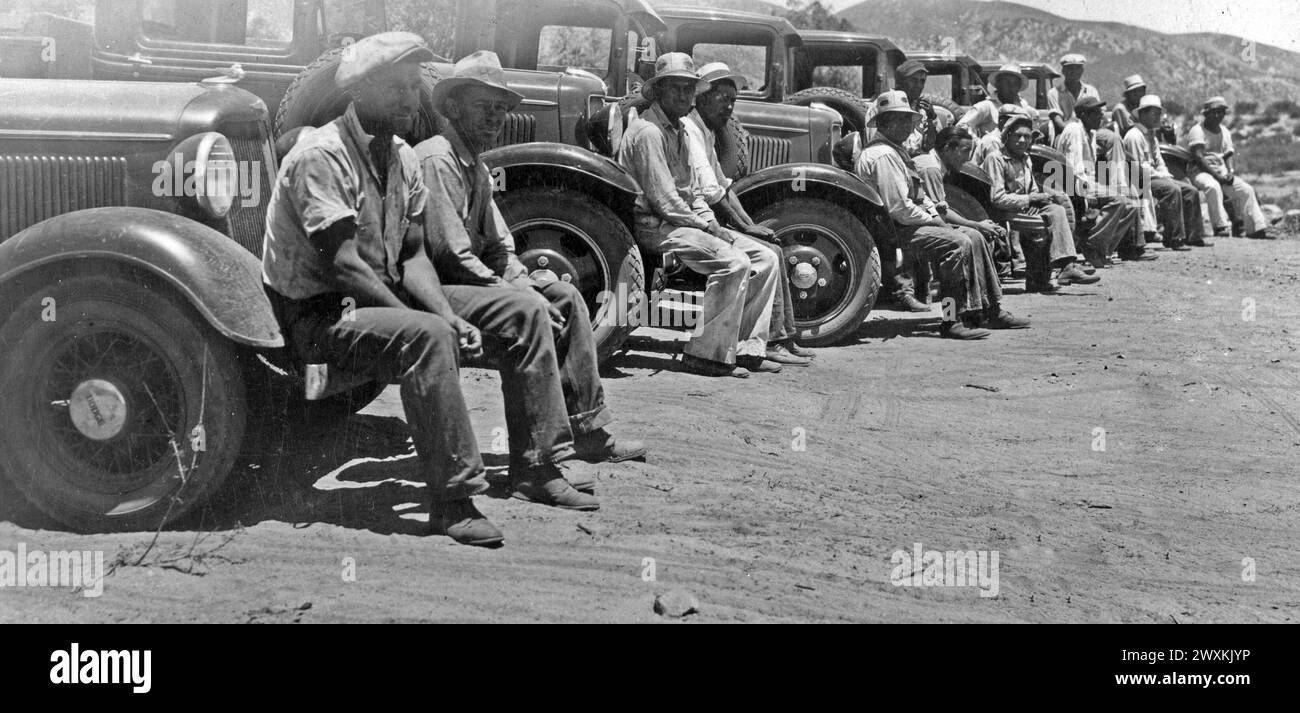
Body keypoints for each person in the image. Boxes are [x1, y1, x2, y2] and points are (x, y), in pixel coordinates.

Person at [261, 32, 500, 547]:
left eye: (415, 89)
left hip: (366, 303)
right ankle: (453, 500)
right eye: (397, 89)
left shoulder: (402, 158)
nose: (412, 101)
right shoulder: (321, 155)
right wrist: (426, 323)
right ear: (360, 91)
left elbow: (412, 255)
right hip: (314, 317)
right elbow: (343, 265)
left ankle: (541, 463)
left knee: (452, 324)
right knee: (426, 339)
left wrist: (446, 313)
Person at [415, 50, 645, 511]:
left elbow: (500, 248)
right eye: (485, 107)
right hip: (430, 292)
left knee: (563, 294)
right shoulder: (438, 161)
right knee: (529, 312)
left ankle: (587, 430)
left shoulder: (474, 165)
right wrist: (515, 294)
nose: (496, 118)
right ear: (454, 106)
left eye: (501, 109)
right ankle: (535, 468)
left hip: (465, 285)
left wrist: (523, 282)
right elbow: (451, 255)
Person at [619, 53, 782, 377]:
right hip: (653, 224)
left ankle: (747, 348)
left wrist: (711, 224)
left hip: (679, 221)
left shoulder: (679, 130)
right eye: (677, 88)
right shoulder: (650, 132)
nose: (684, 96)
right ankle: (704, 354)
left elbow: (693, 193)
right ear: (660, 90)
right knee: (734, 262)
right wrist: (710, 227)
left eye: (688, 89)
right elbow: (664, 200)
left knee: (767, 259)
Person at [856, 91, 1030, 339]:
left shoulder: (896, 151)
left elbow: (920, 196)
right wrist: (936, 221)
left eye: (909, 119)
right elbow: (900, 208)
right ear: (884, 123)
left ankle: (989, 309)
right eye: (900, 120)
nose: (907, 126)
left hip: (908, 224)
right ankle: (951, 320)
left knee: (975, 235)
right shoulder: (884, 155)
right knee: (957, 243)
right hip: (896, 230)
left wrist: (937, 216)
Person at [686, 61, 813, 366]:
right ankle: (763, 343)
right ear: (702, 97)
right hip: (698, 220)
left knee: (772, 247)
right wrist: (747, 228)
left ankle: (781, 336)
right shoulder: (691, 130)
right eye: (722, 99)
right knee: (766, 252)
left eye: (733, 100)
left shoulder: (708, 132)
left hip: (709, 214)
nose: (729, 107)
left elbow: (725, 187)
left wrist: (750, 224)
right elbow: (712, 193)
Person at [983, 110, 1099, 290]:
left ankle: (1045, 277)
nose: (1022, 141)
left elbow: (1033, 189)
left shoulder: (1025, 159)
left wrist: (1038, 201)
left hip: (1021, 207)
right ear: (1007, 136)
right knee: (1047, 221)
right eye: (1018, 136)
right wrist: (1028, 200)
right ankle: (1063, 268)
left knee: (1055, 210)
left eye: (1027, 137)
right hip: (1001, 210)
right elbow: (996, 198)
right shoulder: (996, 159)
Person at [1053, 95, 1141, 267]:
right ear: (1084, 115)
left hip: (1086, 181)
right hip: (1071, 183)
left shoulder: (1090, 133)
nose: (1101, 117)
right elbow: (1074, 168)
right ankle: (1091, 244)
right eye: (1095, 113)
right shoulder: (1074, 130)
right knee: (1118, 200)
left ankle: (1101, 248)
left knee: (1131, 204)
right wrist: (1087, 191)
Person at [1122, 94, 1209, 250]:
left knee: (1190, 190)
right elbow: (1139, 168)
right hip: (1140, 180)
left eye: (1159, 113)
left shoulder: (1151, 136)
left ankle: (1194, 235)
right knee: (1172, 189)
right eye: (1154, 113)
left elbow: (1159, 161)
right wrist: (1162, 176)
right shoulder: (1135, 136)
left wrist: (1165, 174)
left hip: (1153, 176)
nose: (1158, 117)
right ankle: (1174, 238)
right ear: (1142, 114)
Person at [1180, 96, 1273, 239]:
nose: (1217, 115)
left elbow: (1228, 154)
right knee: (1213, 186)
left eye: (1220, 112)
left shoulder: (1224, 131)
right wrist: (1217, 177)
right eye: (1214, 112)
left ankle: (1256, 229)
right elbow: (1198, 157)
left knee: (1246, 190)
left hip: (1221, 170)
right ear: (1207, 114)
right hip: (1199, 171)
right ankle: (1220, 226)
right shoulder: (1197, 130)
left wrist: (1230, 172)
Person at [862, 59, 946, 156]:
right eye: (913, 80)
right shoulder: (884, 104)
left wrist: (933, 117)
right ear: (900, 82)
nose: (919, 86)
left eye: (922, 81)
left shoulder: (922, 108)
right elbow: (876, 144)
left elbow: (940, 143)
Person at [957, 63, 1038, 139]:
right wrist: (978, 142)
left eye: (1015, 84)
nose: (1011, 87)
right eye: (1007, 83)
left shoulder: (1025, 109)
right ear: (998, 84)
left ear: (1019, 87)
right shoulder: (986, 107)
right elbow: (961, 127)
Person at [1047, 54, 1100, 137]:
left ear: (1082, 70)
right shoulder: (1054, 93)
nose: (1074, 71)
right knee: (1075, 134)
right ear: (1063, 71)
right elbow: (1058, 122)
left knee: (1113, 138)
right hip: (1065, 133)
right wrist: (1076, 131)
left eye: (1078, 68)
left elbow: (1099, 116)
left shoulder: (1091, 91)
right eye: (1070, 68)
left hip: (1091, 131)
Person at [1110, 75, 1146, 140]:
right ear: (1127, 94)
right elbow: (1126, 133)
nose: (1137, 94)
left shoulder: (1143, 107)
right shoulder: (1120, 109)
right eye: (1134, 92)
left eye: (1140, 91)